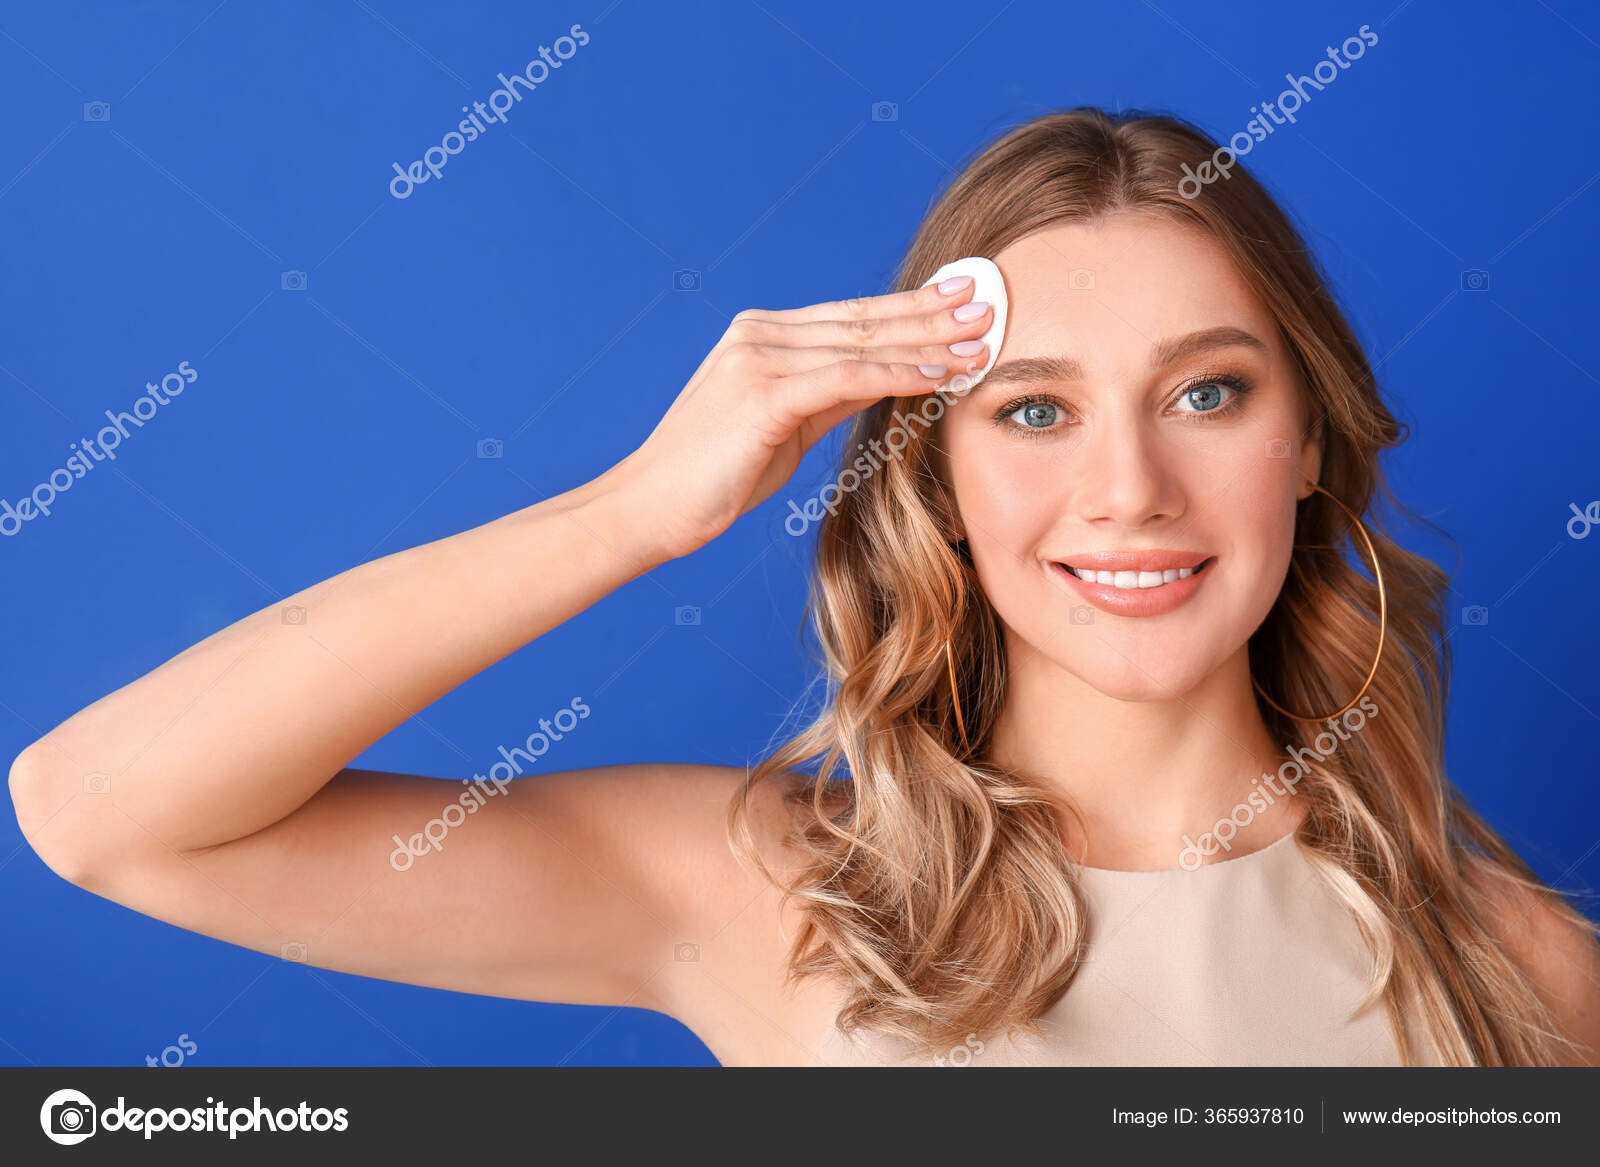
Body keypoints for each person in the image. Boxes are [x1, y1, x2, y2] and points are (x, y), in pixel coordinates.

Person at [11, 108, 1599, 1066]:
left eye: (1209, 393)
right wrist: (633, 512)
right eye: (1032, 409)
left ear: (1306, 441)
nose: (1129, 488)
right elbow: (103, 814)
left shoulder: (1517, 970)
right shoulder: (779, 892)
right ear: (941, 479)